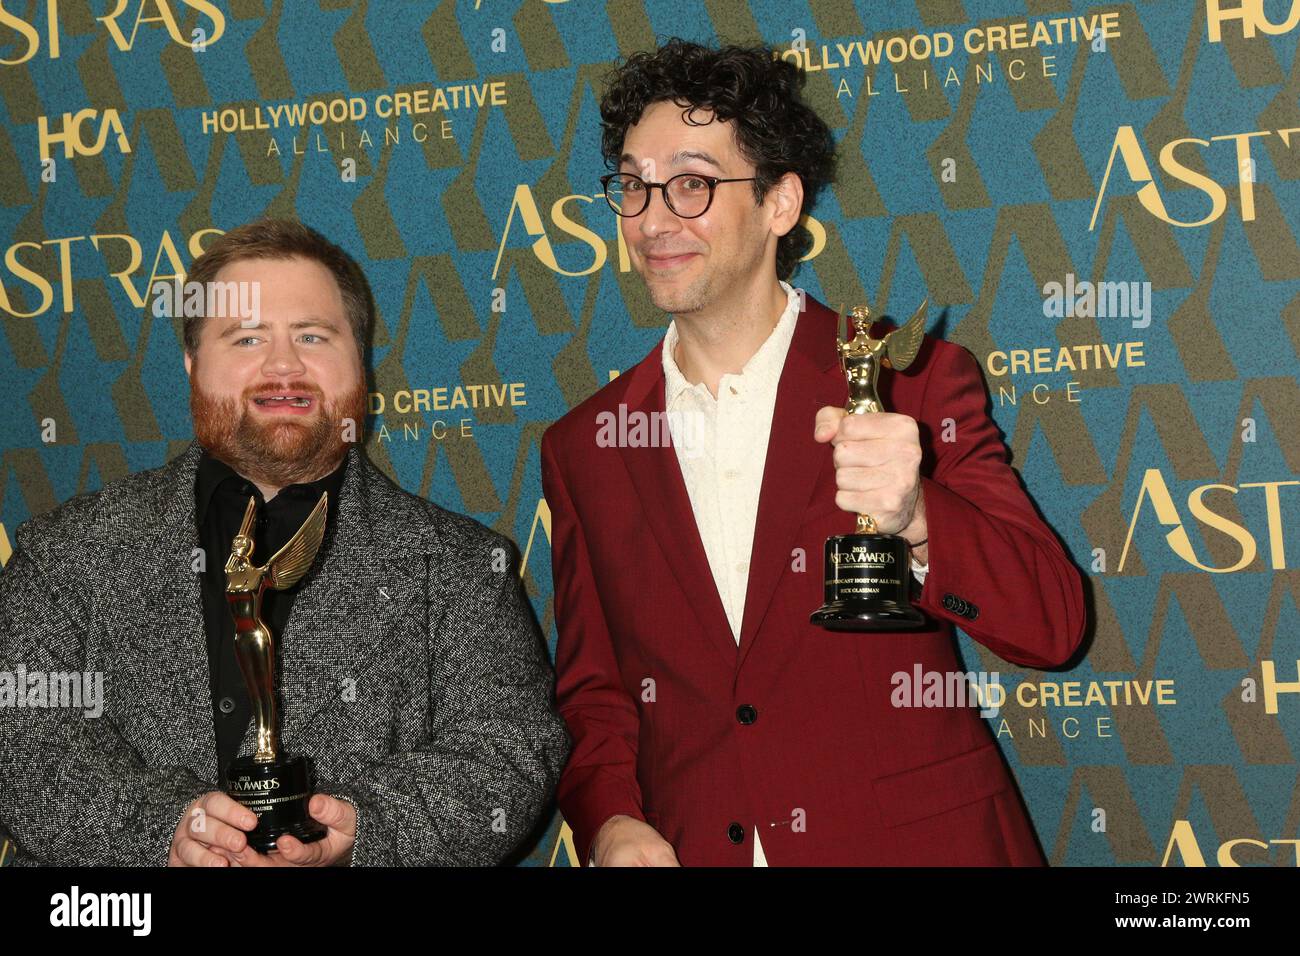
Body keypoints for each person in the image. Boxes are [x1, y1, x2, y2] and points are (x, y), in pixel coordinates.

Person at [541, 39, 1086, 867]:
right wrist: (610, 819)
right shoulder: (586, 445)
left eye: (691, 183)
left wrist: (918, 518)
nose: (652, 219)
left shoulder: (912, 378)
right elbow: (598, 694)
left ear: (780, 204)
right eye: (632, 184)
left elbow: (1052, 624)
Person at [0, 218, 570, 866]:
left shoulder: (462, 569)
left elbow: (510, 748)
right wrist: (167, 831)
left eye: (312, 336)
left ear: (360, 361)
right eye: (246, 337)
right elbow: (21, 735)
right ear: (192, 362)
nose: (282, 365)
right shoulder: (66, 555)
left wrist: (364, 827)